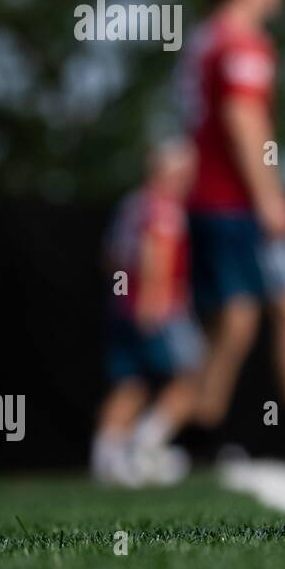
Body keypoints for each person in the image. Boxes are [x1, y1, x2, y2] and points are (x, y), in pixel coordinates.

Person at [178, 0, 285, 438]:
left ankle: (197, 433)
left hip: (210, 200)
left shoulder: (206, 39)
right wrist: (271, 199)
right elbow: (243, 120)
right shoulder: (241, 43)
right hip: (235, 203)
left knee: (233, 321)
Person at [92, 141, 202, 485]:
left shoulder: (131, 204)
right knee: (192, 378)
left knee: (130, 383)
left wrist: (124, 294)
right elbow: (157, 251)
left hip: (121, 307)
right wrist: (151, 299)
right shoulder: (163, 208)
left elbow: (109, 257)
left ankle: (106, 456)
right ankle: (146, 444)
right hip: (159, 307)